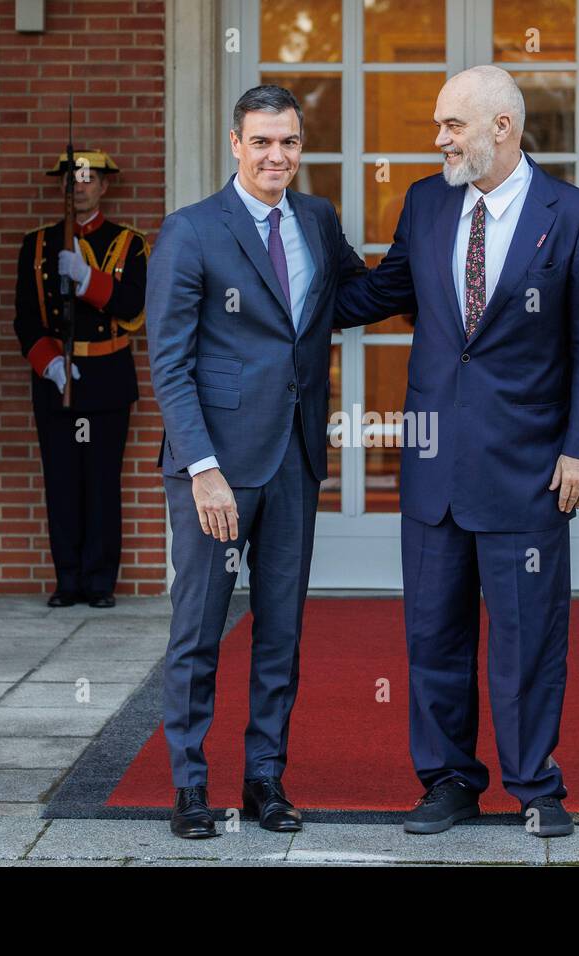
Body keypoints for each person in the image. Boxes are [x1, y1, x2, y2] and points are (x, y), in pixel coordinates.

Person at [336, 65, 579, 838]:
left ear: (502, 126)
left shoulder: (573, 216)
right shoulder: (427, 202)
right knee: (433, 632)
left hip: (529, 466)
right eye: (439, 125)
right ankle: (449, 782)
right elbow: (382, 290)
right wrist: (292, 278)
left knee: (528, 633)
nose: (439, 139)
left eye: (452, 125)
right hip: (432, 459)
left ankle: (535, 784)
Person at [147, 86, 370, 839]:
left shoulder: (317, 219)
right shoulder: (190, 232)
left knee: (281, 630)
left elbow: (357, 292)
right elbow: (170, 364)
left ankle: (267, 779)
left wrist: (440, 258)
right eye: (263, 142)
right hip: (218, 468)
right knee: (200, 627)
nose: (278, 156)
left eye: (289, 143)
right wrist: (201, 467)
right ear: (236, 146)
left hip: (296, 457)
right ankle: (187, 785)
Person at [12, 149, 148, 610]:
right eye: (73, 180)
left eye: (89, 179)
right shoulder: (35, 245)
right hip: (57, 379)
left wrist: (89, 280)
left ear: (104, 186)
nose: (81, 187)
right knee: (62, 481)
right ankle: (67, 579)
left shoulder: (128, 243)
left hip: (107, 376)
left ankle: (99, 581)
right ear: (63, 188)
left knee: (102, 483)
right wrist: (48, 362)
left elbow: (132, 306)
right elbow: (25, 319)